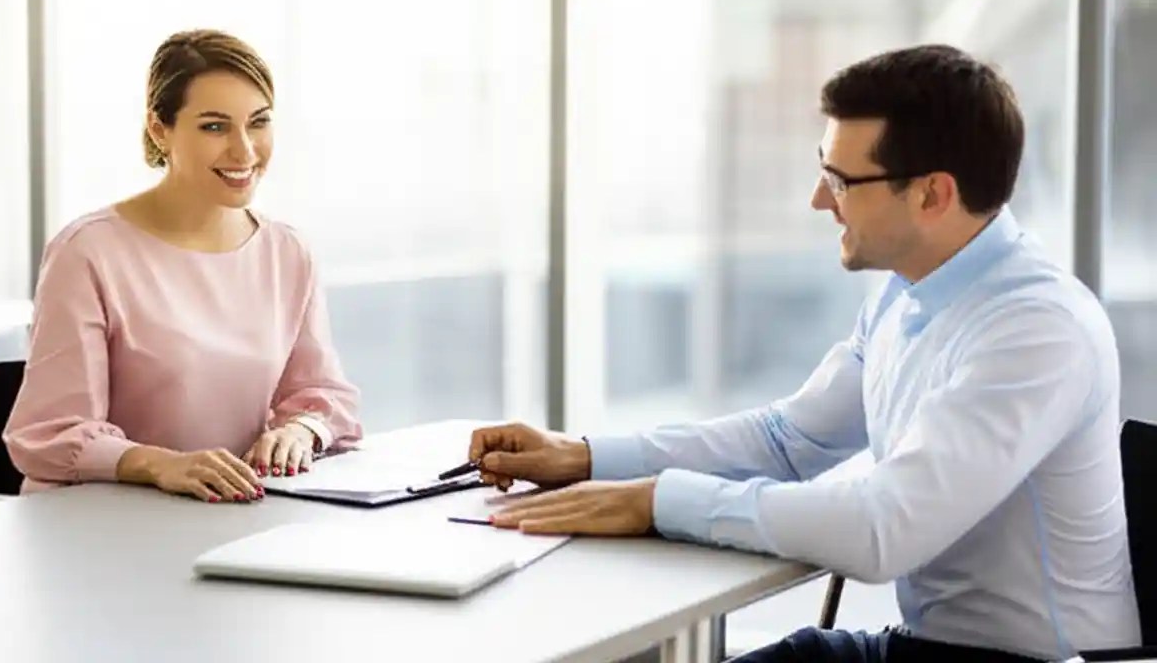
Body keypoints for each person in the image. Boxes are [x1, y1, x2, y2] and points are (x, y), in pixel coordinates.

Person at [468, 45, 1139, 661]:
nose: (819, 200)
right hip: (918, 647)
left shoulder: (1038, 330)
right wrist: (584, 456)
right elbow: (788, 439)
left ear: (933, 193)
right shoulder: (904, 293)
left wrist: (658, 501)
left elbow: (883, 529)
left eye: (842, 181)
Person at [4, 29, 361, 503]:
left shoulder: (287, 252)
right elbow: (49, 433)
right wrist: (160, 464)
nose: (245, 151)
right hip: (105, 526)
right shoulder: (88, 252)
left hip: (236, 519)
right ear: (160, 130)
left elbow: (325, 396)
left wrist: (301, 431)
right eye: (214, 127)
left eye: (258, 123)